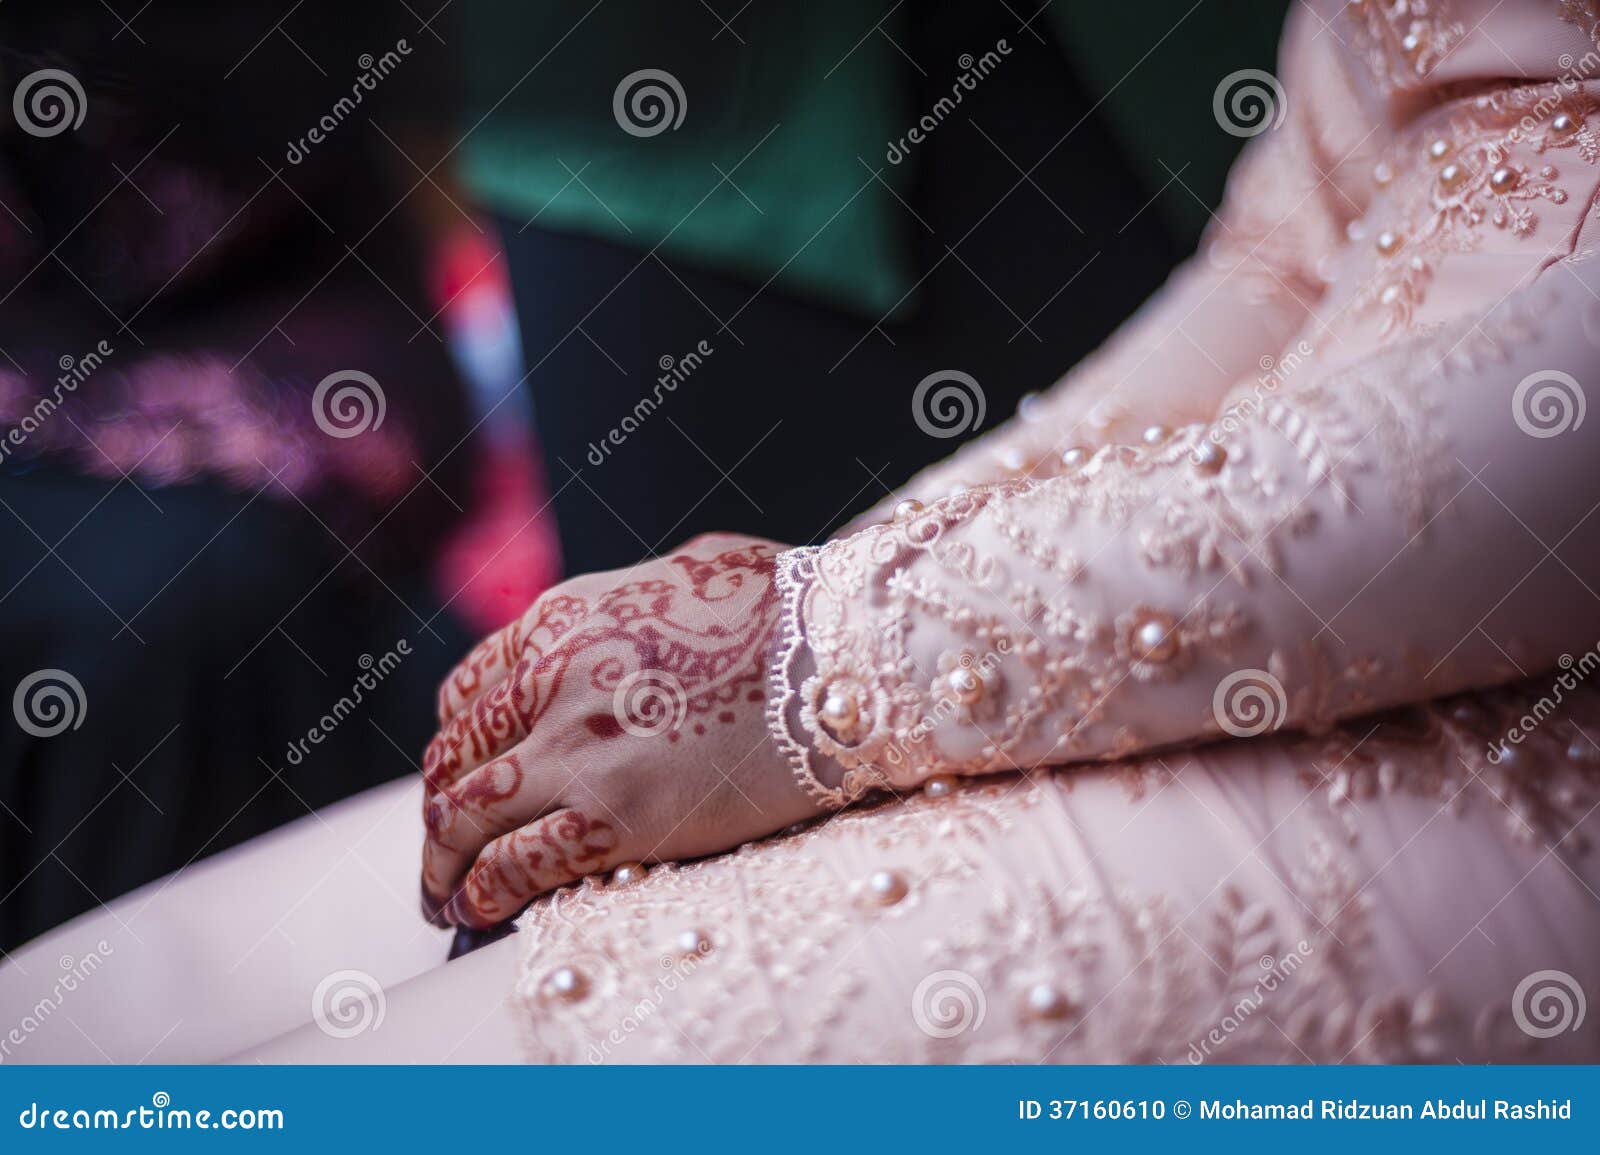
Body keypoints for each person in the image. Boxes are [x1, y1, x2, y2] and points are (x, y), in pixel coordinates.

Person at [4, 0, 1600, 1063]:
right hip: (705, 111)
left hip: (1520, 723)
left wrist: (816, 678)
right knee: (98, 1022)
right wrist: (795, 602)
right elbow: (1283, 262)